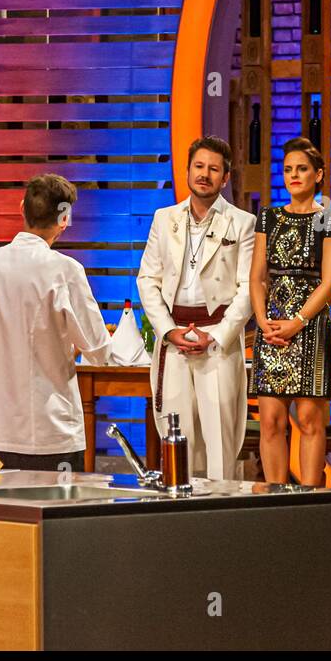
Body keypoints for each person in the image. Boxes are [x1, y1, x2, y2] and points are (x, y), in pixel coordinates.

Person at [0, 173, 112, 471]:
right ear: (64, 219)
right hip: (51, 430)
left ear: (22, 208)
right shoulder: (66, 271)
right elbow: (99, 351)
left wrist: (1, 326)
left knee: (1, 518)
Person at [137, 136, 255, 480]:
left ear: (226, 177)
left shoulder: (242, 222)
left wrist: (216, 335)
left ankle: (221, 521)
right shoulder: (164, 218)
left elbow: (249, 287)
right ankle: (179, 517)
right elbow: (148, 279)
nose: (205, 174)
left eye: (213, 169)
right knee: (176, 434)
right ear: (187, 170)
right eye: (199, 166)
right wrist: (169, 331)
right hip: (174, 338)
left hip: (216, 339)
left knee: (220, 436)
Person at [249, 138, 331, 486]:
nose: (294, 175)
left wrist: (297, 322)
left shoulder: (330, 219)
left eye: (302, 169)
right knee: (272, 420)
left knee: (309, 420)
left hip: (309, 326)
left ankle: (308, 498)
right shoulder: (269, 218)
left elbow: (330, 280)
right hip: (271, 327)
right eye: (288, 169)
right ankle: (277, 500)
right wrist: (262, 320)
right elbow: (258, 276)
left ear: (318, 174)